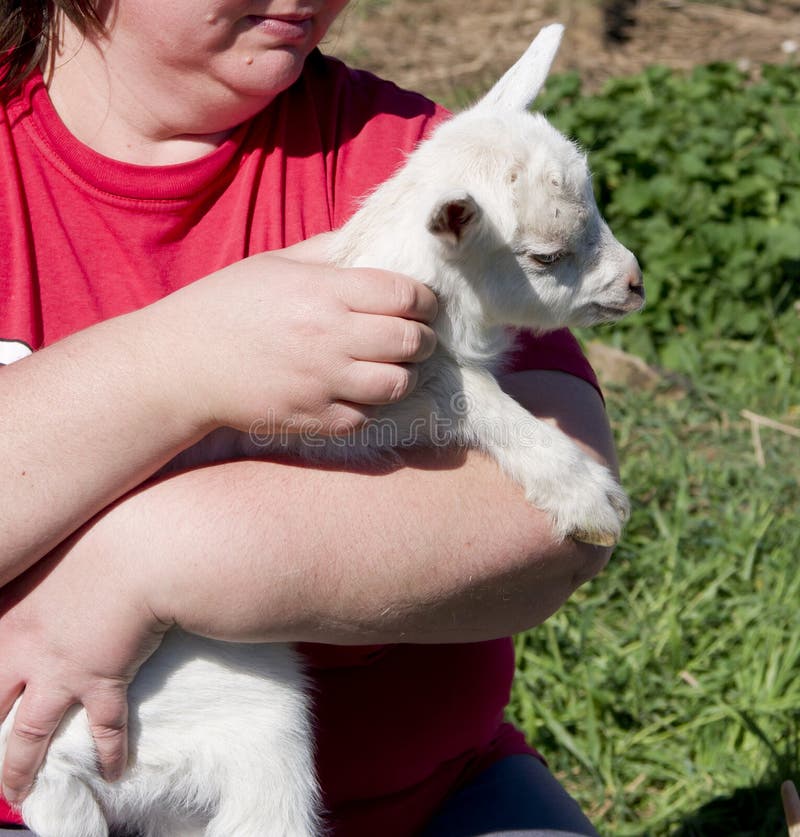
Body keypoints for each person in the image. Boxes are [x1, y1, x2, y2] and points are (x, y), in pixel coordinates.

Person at [0, 2, 617, 834]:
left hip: (423, 802)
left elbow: (559, 522)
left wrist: (143, 558)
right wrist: (174, 367)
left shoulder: (415, 156)